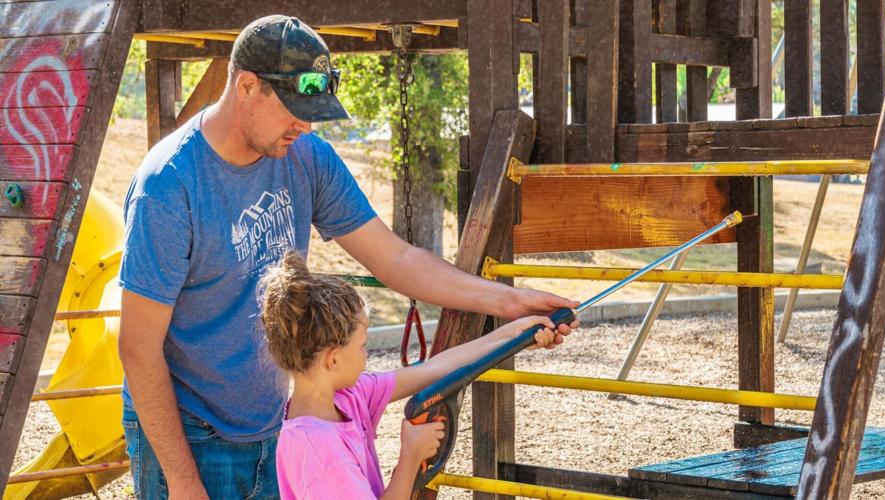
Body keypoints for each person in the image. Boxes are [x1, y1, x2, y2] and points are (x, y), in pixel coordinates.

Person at [117, 14, 578, 499]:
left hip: (275, 424)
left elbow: (395, 259)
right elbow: (138, 347)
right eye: (294, 108)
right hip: (190, 431)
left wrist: (508, 303)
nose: (305, 124)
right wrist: (185, 485)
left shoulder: (305, 157)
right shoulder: (168, 187)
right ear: (246, 86)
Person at [259, 252, 568, 499]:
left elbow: (433, 369)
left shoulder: (349, 397)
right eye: (363, 345)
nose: (366, 355)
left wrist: (513, 335)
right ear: (334, 359)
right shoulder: (319, 450)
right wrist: (410, 457)